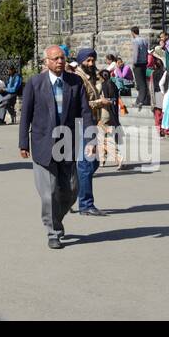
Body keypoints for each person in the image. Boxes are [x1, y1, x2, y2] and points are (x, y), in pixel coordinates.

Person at [19, 46, 94, 249]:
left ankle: (56, 219)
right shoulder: (35, 83)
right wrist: (23, 143)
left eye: (62, 58)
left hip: (67, 142)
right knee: (49, 192)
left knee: (71, 189)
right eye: (55, 58)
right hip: (43, 144)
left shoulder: (75, 82)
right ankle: (53, 231)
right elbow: (25, 114)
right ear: (46, 62)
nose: (60, 61)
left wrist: (91, 140)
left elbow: (86, 113)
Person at [74, 49, 108, 215]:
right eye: (87, 60)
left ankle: (70, 193)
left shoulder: (90, 77)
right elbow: (82, 104)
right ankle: (86, 205)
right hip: (81, 123)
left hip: (91, 123)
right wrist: (99, 102)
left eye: (93, 60)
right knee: (87, 164)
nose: (91, 63)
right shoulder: (78, 78)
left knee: (92, 163)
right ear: (81, 61)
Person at [129, 27, 150, 109]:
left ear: (133, 32)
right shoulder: (144, 40)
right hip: (144, 63)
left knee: (140, 83)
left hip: (138, 64)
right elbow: (146, 52)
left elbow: (136, 53)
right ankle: (140, 100)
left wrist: (134, 62)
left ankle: (140, 100)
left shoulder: (135, 41)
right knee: (143, 82)